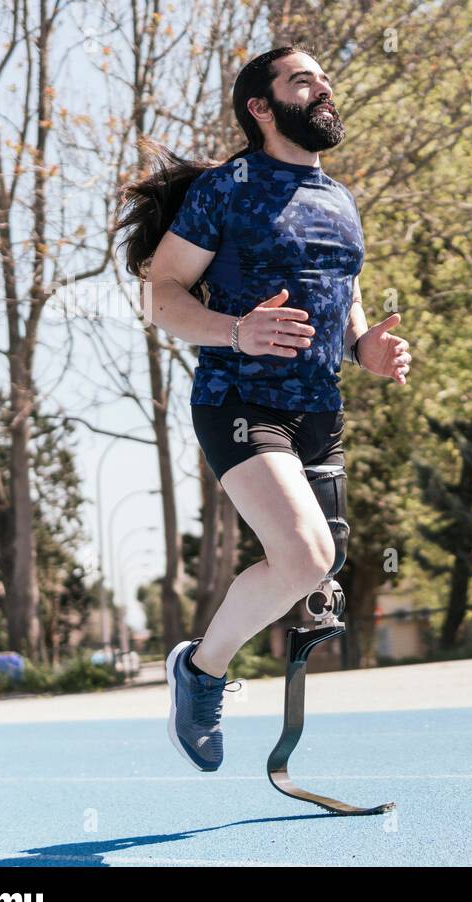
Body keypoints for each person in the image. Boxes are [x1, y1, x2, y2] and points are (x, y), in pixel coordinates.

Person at [114, 46, 411, 772]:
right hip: (238, 399)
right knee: (308, 554)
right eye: (302, 80)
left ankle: (202, 669)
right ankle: (201, 672)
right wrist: (236, 331)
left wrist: (363, 348)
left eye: (324, 80)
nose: (323, 88)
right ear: (261, 106)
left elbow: (343, 297)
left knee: (317, 562)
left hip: (319, 409)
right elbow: (159, 293)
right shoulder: (227, 189)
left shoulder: (340, 198)